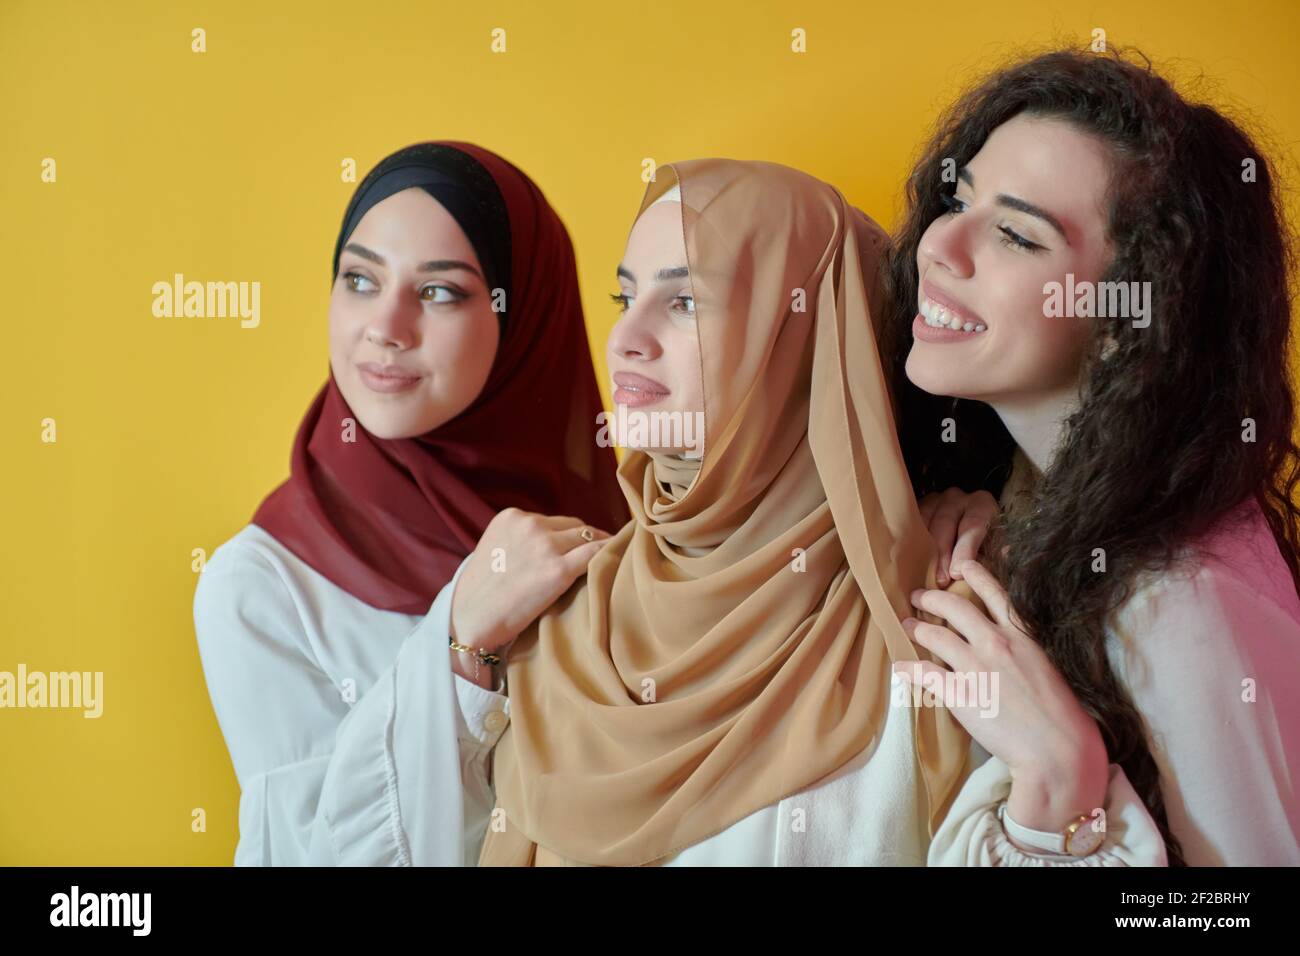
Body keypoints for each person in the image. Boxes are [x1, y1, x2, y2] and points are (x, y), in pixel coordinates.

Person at [472, 159, 1166, 866]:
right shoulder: (554, 601)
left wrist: (1060, 782)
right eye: (626, 298)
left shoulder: (948, 621)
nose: (626, 339)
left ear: (809, 347)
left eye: (685, 303)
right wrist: (461, 650)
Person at [879, 48, 1300, 865]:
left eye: (1013, 234)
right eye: (956, 199)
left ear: (1128, 318)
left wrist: (1058, 782)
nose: (939, 247)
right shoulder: (1030, 508)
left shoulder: (1180, 606)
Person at [193, 141, 627, 865]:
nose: (385, 327)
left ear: (526, 320)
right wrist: (460, 640)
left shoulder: (615, 539)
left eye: (439, 291)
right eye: (360, 280)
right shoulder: (262, 589)